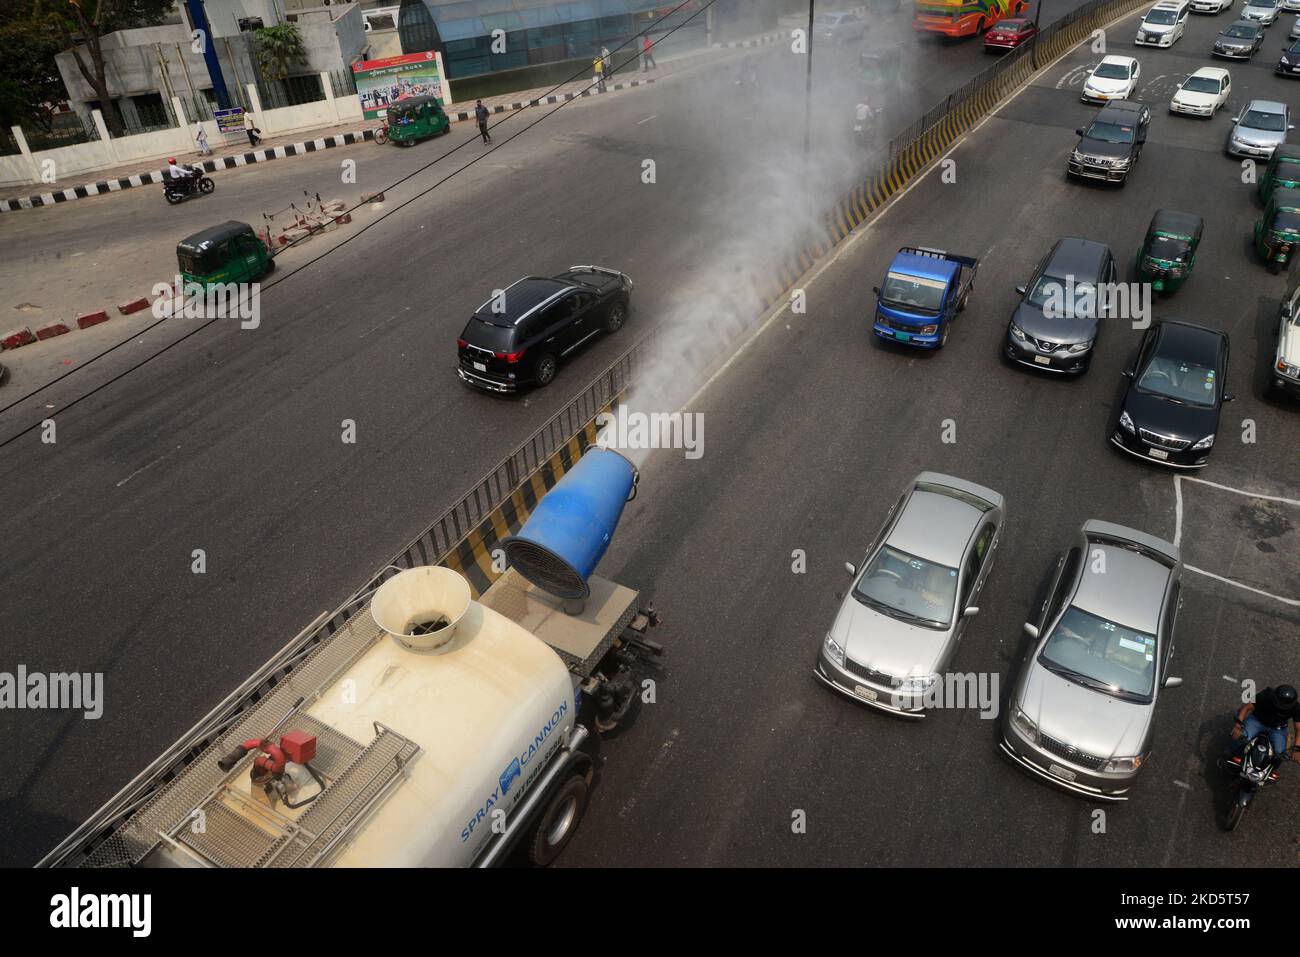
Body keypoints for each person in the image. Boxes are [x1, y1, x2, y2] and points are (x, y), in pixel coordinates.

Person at [1232, 685, 1300, 767]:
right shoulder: (1266, 695)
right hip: (1257, 720)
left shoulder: (1296, 707)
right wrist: (1238, 725)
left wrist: (1297, 750)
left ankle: (1269, 770)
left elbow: (1298, 729)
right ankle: (1229, 753)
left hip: (1278, 728)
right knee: (1241, 738)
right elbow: (1246, 707)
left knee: (1280, 755)